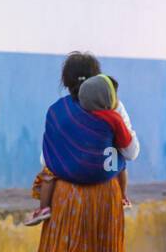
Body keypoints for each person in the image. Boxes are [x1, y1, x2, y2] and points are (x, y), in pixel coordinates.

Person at [26, 52, 134, 252]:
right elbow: (129, 152)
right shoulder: (114, 108)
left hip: (66, 194)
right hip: (105, 193)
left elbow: (46, 158)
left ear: (66, 80)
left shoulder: (57, 111)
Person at [26, 72, 138, 225]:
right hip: (104, 176)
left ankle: (44, 208)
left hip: (67, 175)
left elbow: (47, 156)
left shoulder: (63, 112)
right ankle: (123, 197)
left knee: (48, 172)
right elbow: (130, 151)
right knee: (122, 162)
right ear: (109, 98)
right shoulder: (114, 117)